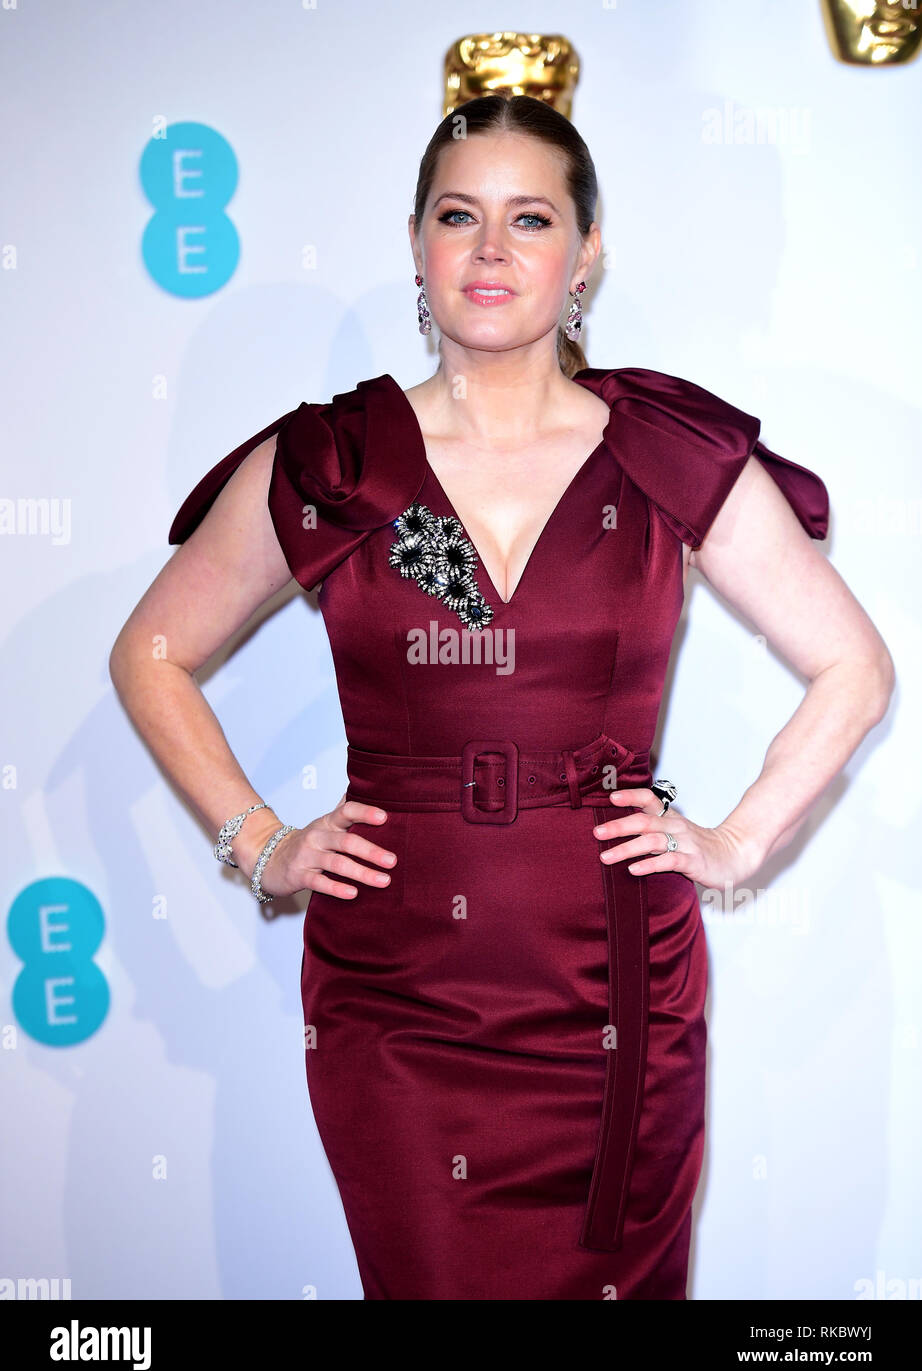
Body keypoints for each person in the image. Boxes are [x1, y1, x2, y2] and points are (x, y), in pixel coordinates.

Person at [109, 95, 895, 1300]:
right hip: (399, 1000)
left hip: (614, 989)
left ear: (585, 256)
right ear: (416, 244)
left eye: (529, 219)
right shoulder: (340, 461)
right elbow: (151, 651)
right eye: (456, 215)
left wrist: (732, 843)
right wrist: (259, 843)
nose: (490, 249)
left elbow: (856, 666)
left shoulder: (660, 450)